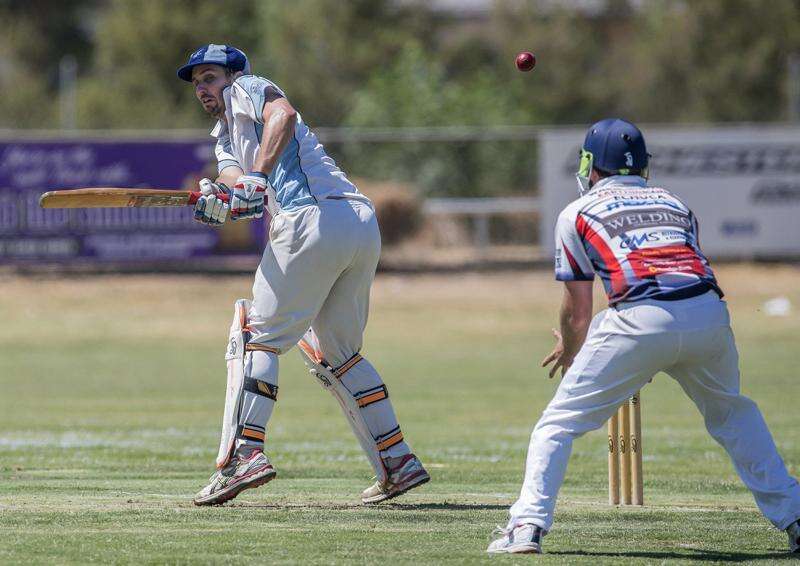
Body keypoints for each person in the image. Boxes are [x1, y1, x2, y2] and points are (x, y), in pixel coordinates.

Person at [487, 118, 800, 554]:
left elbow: (579, 313)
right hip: (710, 315)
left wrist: (576, 348)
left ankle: (526, 528)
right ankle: (796, 515)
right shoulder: (676, 203)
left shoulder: (576, 212)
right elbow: (682, 270)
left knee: (555, 425)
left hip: (639, 321)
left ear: (589, 164)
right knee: (733, 415)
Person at [177, 44, 429, 506]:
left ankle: (245, 455)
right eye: (197, 83)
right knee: (338, 353)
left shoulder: (248, 89)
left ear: (231, 76)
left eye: (209, 77)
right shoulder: (225, 136)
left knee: (256, 336)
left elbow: (283, 116)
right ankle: (397, 460)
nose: (203, 89)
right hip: (356, 225)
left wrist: (257, 176)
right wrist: (219, 196)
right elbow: (241, 184)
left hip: (310, 218)